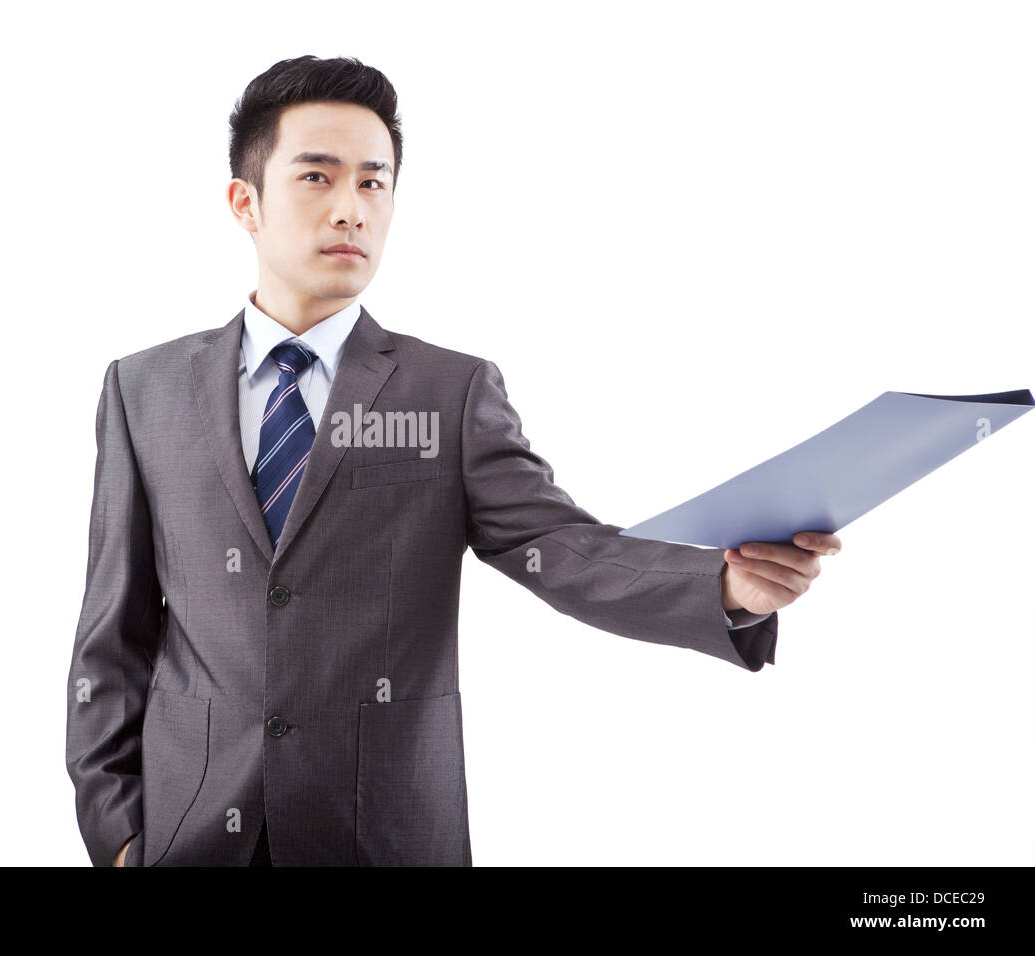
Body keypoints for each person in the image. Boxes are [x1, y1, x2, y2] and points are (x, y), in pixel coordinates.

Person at [65, 54, 841, 868]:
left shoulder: (449, 392)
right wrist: (117, 836)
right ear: (244, 203)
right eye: (318, 178)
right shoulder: (143, 389)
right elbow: (112, 635)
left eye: (374, 182)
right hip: (190, 834)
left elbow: (565, 551)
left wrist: (723, 588)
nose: (351, 210)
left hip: (384, 834)